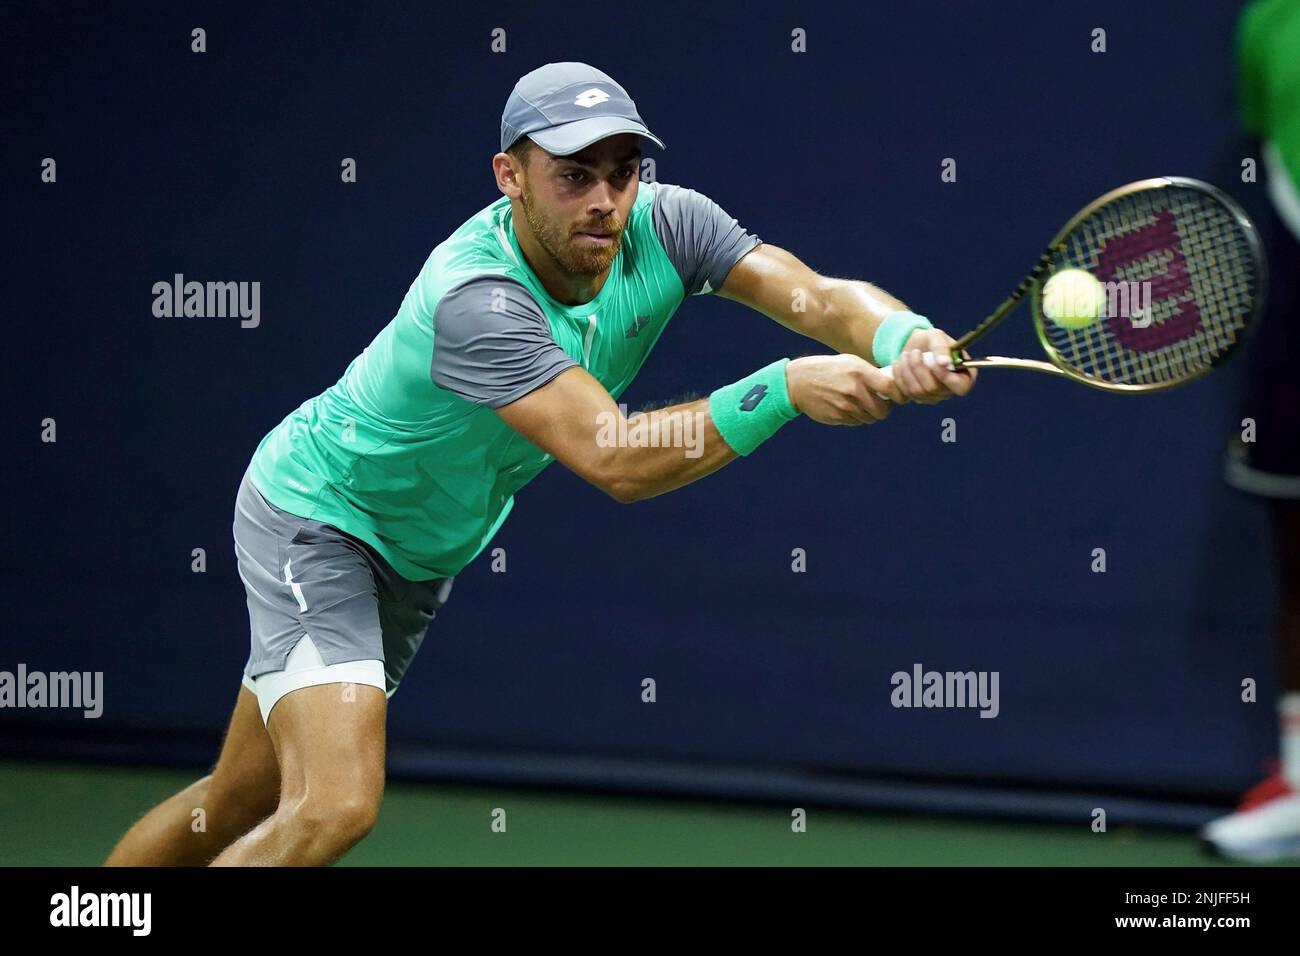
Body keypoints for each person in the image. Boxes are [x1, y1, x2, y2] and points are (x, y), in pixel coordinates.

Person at [104, 61, 975, 866]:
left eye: (622, 172)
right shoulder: (478, 300)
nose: (604, 199)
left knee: (234, 803)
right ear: (508, 176)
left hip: (421, 553)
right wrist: (783, 389)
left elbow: (817, 297)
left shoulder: (669, 224)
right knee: (333, 806)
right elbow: (617, 458)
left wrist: (906, 338)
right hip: (318, 519)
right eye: (572, 175)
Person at [1202, 0, 1300, 863]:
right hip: (1297, 301)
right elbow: (1273, 139)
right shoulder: (1270, 19)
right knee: (1295, 540)